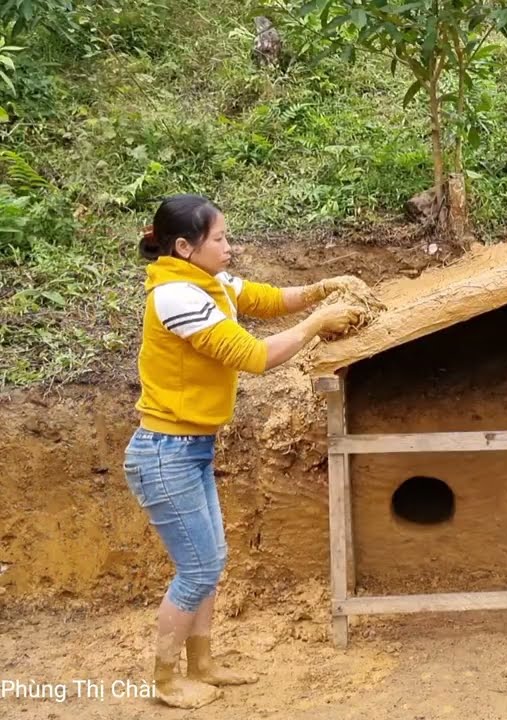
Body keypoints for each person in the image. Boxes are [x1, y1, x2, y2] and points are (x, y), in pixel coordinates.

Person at [122, 194, 365, 709]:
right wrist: (317, 323)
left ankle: (202, 664)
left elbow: (264, 298)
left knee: (209, 563)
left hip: (188, 448)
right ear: (185, 247)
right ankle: (166, 679)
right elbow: (253, 356)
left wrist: (320, 290)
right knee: (198, 570)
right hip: (165, 452)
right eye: (220, 239)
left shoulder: (204, 282)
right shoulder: (176, 298)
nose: (229, 247)